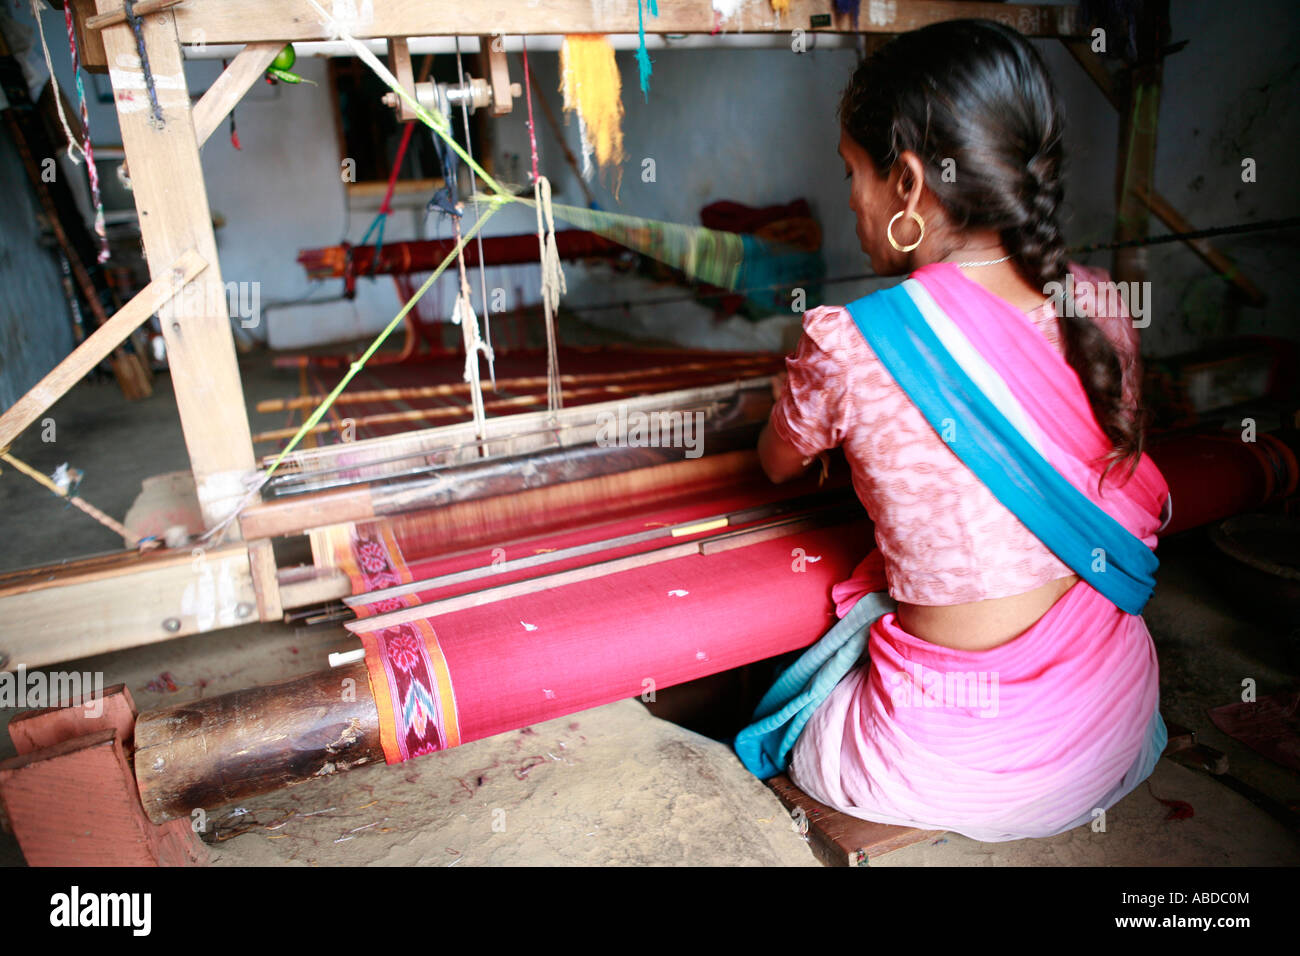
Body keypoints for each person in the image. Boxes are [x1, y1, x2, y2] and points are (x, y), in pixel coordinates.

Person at [739, 19, 1172, 842]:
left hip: (951, 765)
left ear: (908, 184)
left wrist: (789, 391)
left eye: (852, 175)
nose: (851, 200)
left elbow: (775, 466)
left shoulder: (850, 339)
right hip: (1116, 726)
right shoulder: (1102, 305)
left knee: (786, 710)